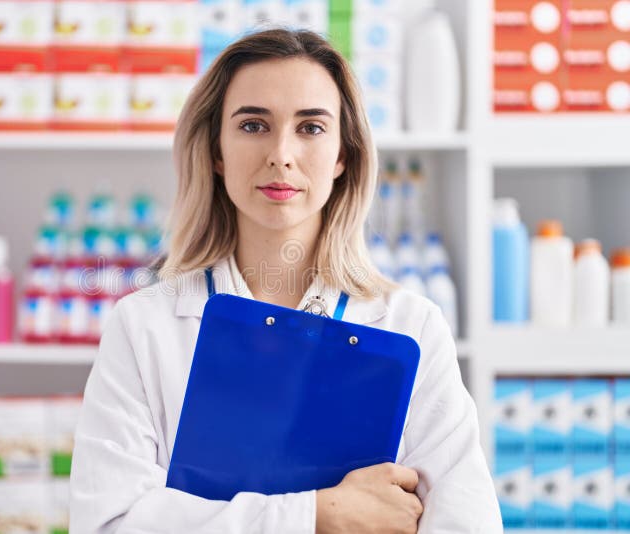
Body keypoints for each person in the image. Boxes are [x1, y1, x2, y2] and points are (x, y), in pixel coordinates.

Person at [70, 28, 502, 533]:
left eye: (311, 128)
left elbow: (465, 522)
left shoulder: (409, 327)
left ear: (344, 154)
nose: (281, 153)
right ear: (216, 151)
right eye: (253, 125)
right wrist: (317, 515)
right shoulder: (145, 326)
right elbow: (109, 524)